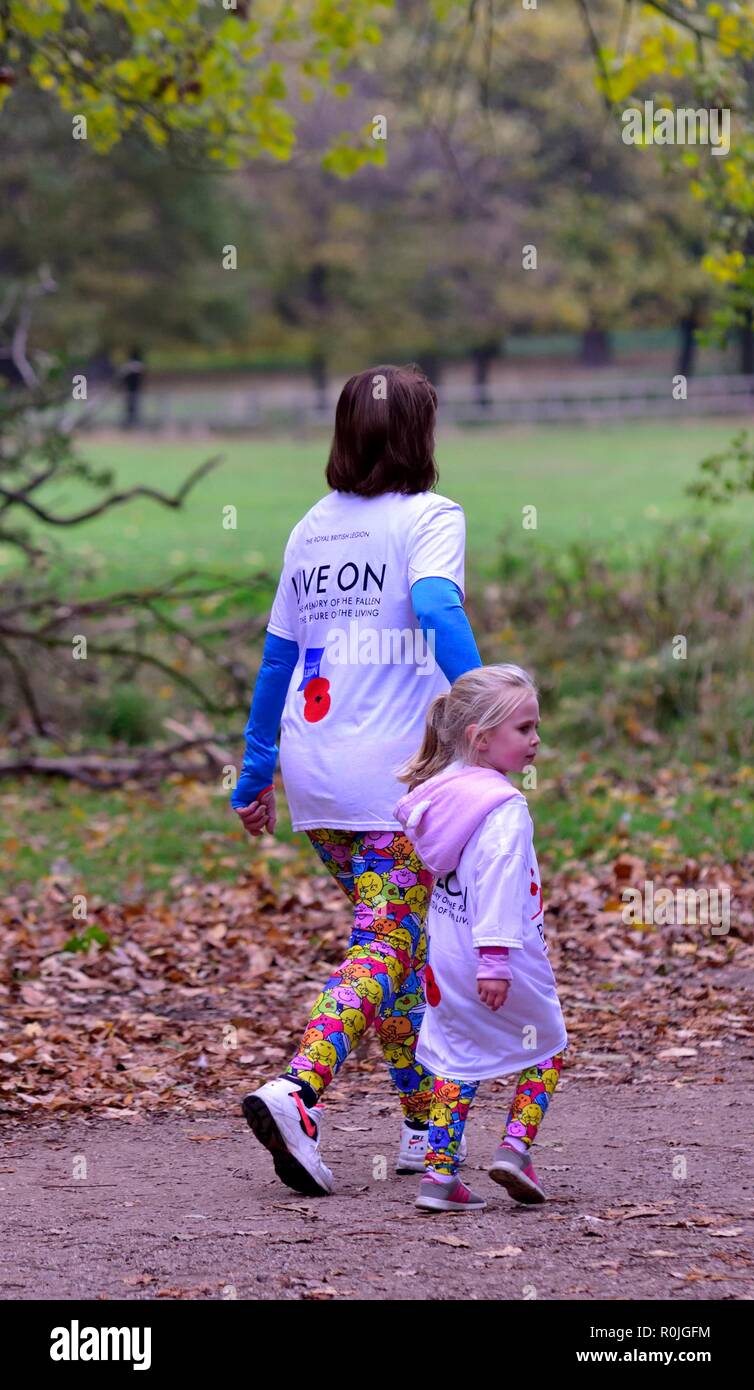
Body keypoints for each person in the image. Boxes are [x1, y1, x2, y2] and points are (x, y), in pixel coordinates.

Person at [231, 363, 482, 1196]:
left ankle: (421, 1127)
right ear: (419, 434)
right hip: (397, 781)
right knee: (387, 943)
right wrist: (485, 707)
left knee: (399, 947)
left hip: (319, 777)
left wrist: (256, 766)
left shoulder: (312, 526)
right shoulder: (429, 517)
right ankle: (298, 1093)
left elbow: (276, 659)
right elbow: (440, 609)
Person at [392, 663, 567, 1213]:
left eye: (536, 726)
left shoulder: (438, 799)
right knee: (547, 1047)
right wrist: (494, 960)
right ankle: (515, 1149)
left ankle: (440, 1178)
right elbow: (498, 881)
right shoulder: (503, 809)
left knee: (454, 1058)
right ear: (481, 738)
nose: (536, 740)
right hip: (501, 957)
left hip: (445, 961)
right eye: (524, 729)